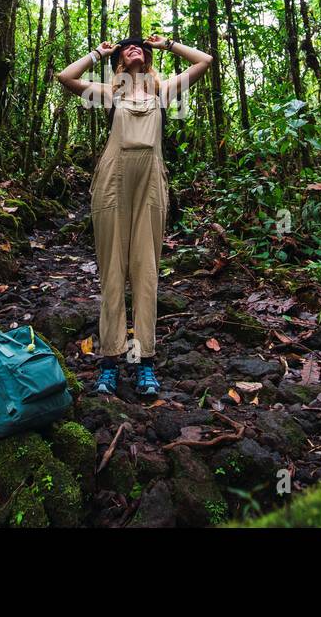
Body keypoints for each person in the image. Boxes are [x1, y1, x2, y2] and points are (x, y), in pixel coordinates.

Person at [56, 33, 214, 395]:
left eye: (139, 46)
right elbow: (66, 78)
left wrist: (167, 44)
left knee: (146, 273)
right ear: (120, 63)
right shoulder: (111, 94)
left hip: (151, 187)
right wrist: (99, 52)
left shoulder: (162, 92)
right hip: (113, 182)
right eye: (127, 47)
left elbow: (204, 61)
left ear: (147, 56)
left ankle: (145, 364)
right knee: (113, 271)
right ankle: (109, 363)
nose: (134, 48)